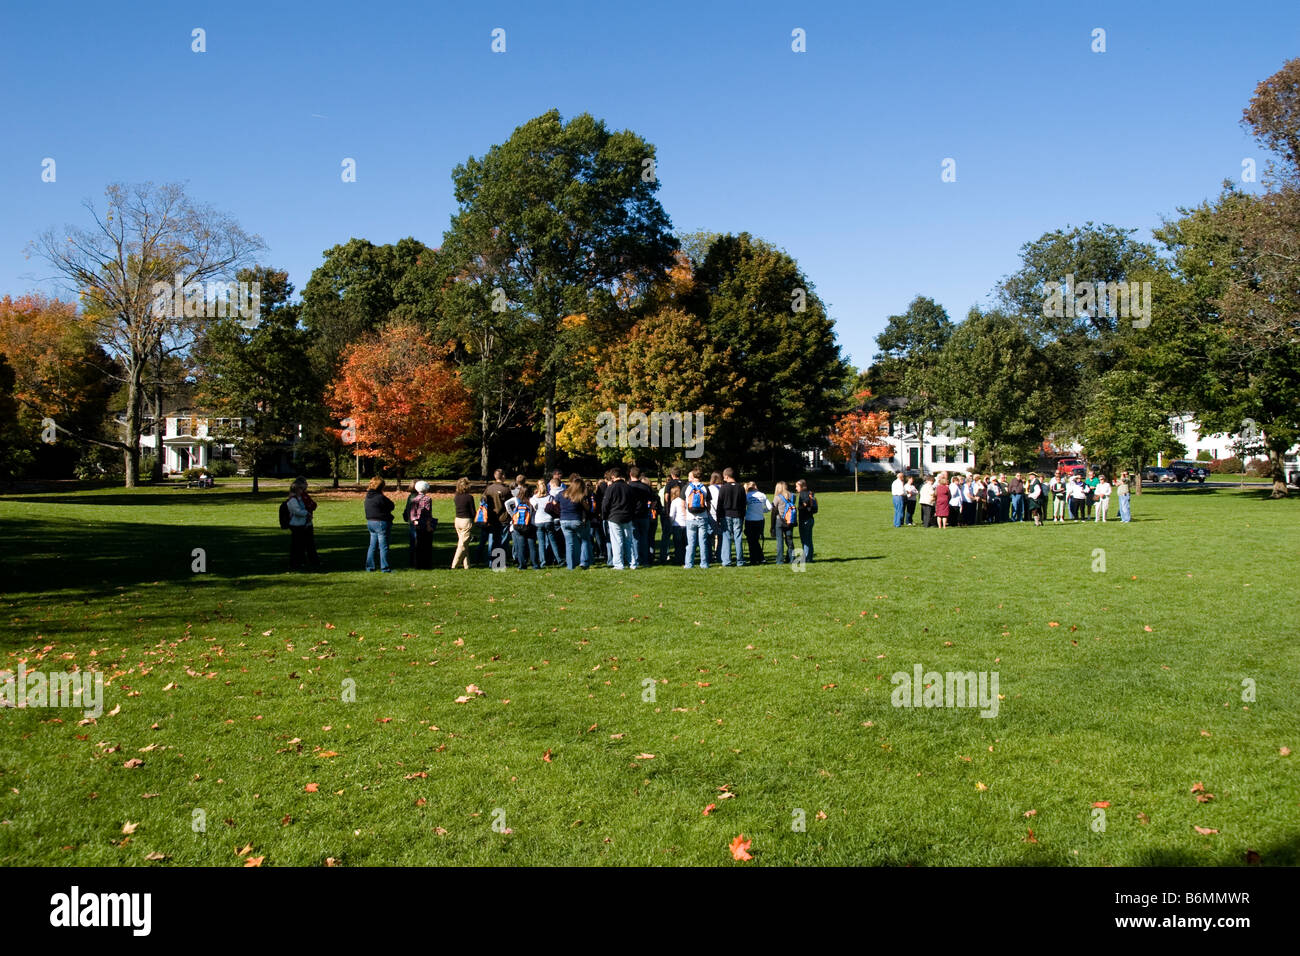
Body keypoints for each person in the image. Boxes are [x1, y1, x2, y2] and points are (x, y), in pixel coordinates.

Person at [602, 467, 636, 570]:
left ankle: (618, 564)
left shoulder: (611, 488)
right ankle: (632, 563)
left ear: (613, 476)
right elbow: (634, 503)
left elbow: (605, 504)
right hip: (627, 516)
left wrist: (604, 516)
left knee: (617, 541)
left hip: (614, 517)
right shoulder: (629, 487)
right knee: (628, 541)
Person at [477, 469, 511, 567]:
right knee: (502, 542)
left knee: (492, 541)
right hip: (503, 518)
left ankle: (491, 561)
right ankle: (499, 562)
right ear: (503, 476)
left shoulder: (489, 489)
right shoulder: (506, 490)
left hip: (491, 518)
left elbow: (483, 501)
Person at [285, 477, 320, 571]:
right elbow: (297, 511)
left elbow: (312, 505)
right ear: (296, 489)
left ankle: (309, 561)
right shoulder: (292, 500)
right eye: (301, 489)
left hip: (306, 524)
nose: (303, 490)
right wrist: (307, 513)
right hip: (297, 525)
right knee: (297, 545)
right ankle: (295, 563)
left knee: (309, 544)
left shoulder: (302, 498)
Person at [558, 477, 593, 569]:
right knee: (584, 540)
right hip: (576, 520)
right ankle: (584, 562)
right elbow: (588, 508)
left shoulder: (562, 494)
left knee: (569, 543)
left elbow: (555, 503)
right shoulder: (580, 496)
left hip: (564, 520)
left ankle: (570, 565)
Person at [363, 476, 394, 572]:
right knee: (383, 546)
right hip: (381, 522)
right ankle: (385, 567)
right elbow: (391, 505)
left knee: (372, 546)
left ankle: (370, 566)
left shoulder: (368, 496)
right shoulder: (380, 497)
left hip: (371, 522)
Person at [627, 466, 656, 569]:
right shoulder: (646, 487)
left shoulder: (628, 486)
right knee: (644, 538)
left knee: (635, 539)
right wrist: (649, 510)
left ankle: (636, 559)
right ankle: (645, 560)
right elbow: (653, 501)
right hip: (644, 515)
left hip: (633, 515)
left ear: (630, 474)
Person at [683, 469, 711, 569]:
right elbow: (708, 503)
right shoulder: (705, 488)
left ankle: (689, 564)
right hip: (703, 517)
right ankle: (704, 563)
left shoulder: (686, 487)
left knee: (690, 543)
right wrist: (707, 513)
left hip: (690, 518)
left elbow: (683, 503)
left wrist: (685, 515)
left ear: (693, 476)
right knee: (703, 542)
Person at [719, 468, 747, 566]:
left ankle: (727, 561)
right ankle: (740, 560)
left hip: (726, 515)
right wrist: (743, 516)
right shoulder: (741, 488)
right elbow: (744, 504)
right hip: (738, 515)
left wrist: (719, 517)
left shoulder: (723, 488)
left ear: (726, 476)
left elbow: (720, 503)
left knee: (726, 538)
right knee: (738, 537)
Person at [507, 484, 539, 569]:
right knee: (532, 546)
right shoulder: (532, 500)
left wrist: (513, 515)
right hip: (530, 525)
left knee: (520, 547)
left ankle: (522, 565)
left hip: (517, 525)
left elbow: (506, 504)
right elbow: (537, 509)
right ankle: (535, 564)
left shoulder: (516, 499)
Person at [531, 479, 561, 568]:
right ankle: (559, 559)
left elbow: (535, 509)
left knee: (541, 542)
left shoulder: (533, 498)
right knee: (553, 541)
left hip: (539, 520)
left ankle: (543, 561)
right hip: (548, 520)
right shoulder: (550, 497)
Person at [409, 480, 436, 569]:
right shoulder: (427, 499)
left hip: (417, 523)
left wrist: (414, 521)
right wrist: (429, 525)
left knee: (419, 544)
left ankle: (418, 564)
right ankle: (426, 564)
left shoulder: (414, 499)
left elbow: (412, 513)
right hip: (425, 523)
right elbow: (428, 513)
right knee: (427, 545)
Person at [451, 477, 475, 569]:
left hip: (457, 520)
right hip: (466, 521)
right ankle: (454, 565)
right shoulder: (469, 497)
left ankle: (467, 565)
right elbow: (472, 511)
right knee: (462, 545)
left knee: (464, 543)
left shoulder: (456, 497)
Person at [743, 480, 769, 564]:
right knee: (756, 539)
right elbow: (770, 507)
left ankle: (754, 559)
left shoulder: (747, 496)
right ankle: (760, 558)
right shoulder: (762, 495)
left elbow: (743, 506)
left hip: (750, 519)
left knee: (751, 540)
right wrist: (762, 510)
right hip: (760, 520)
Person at [770, 480, 796, 563]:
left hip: (779, 521)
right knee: (789, 540)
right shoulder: (793, 496)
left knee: (780, 541)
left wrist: (772, 525)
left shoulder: (777, 497)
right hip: (789, 521)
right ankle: (791, 559)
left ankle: (780, 560)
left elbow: (773, 511)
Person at [795, 479, 817, 561]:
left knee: (805, 540)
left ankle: (806, 558)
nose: (796, 488)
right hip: (810, 518)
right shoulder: (810, 492)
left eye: (797, 486)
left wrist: (800, 507)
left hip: (804, 519)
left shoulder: (803, 494)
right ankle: (809, 557)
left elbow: (805, 502)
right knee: (809, 539)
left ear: (801, 486)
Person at [668, 485, 689, 565]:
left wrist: (670, 523)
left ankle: (678, 559)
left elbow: (672, 514)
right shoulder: (685, 500)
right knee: (685, 543)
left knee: (678, 544)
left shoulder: (675, 501)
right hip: (686, 524)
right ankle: (685, 559)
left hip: (677, 525)